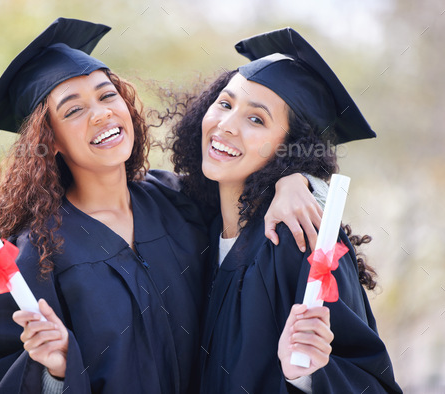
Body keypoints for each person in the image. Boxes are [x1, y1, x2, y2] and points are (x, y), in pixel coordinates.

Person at [0, 19, 325, 394]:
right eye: (73, 111)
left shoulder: (179, 202)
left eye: (106, 95)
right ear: (50, 140)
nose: (101, 114)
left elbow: (245, 195)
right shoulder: (38, 254)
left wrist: (296, 181)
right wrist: (55, 374)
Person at [169, 28, 402, 393]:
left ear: (289, 148)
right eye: (226, 104)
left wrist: (306, 375)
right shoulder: (198, 226)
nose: (226, 126)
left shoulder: (302, 237)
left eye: (257, 119)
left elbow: (368, 382)